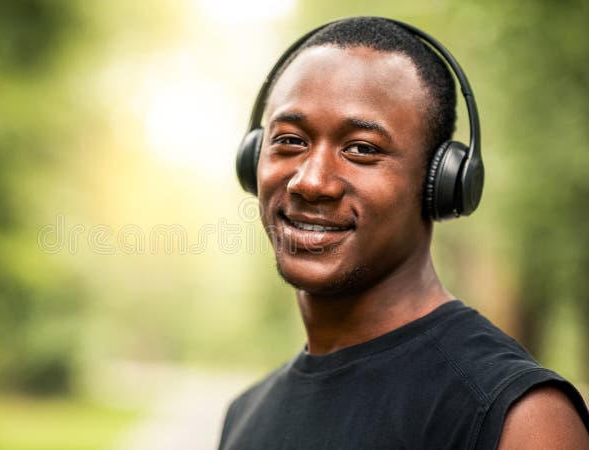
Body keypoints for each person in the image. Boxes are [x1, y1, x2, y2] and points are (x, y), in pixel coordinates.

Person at [219, 17, 589, 450]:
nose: (311, 181)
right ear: (252, 162)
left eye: (362, 148)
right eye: (290, 140)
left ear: (442, 183)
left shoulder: (519, 419)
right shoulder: (244, 416)